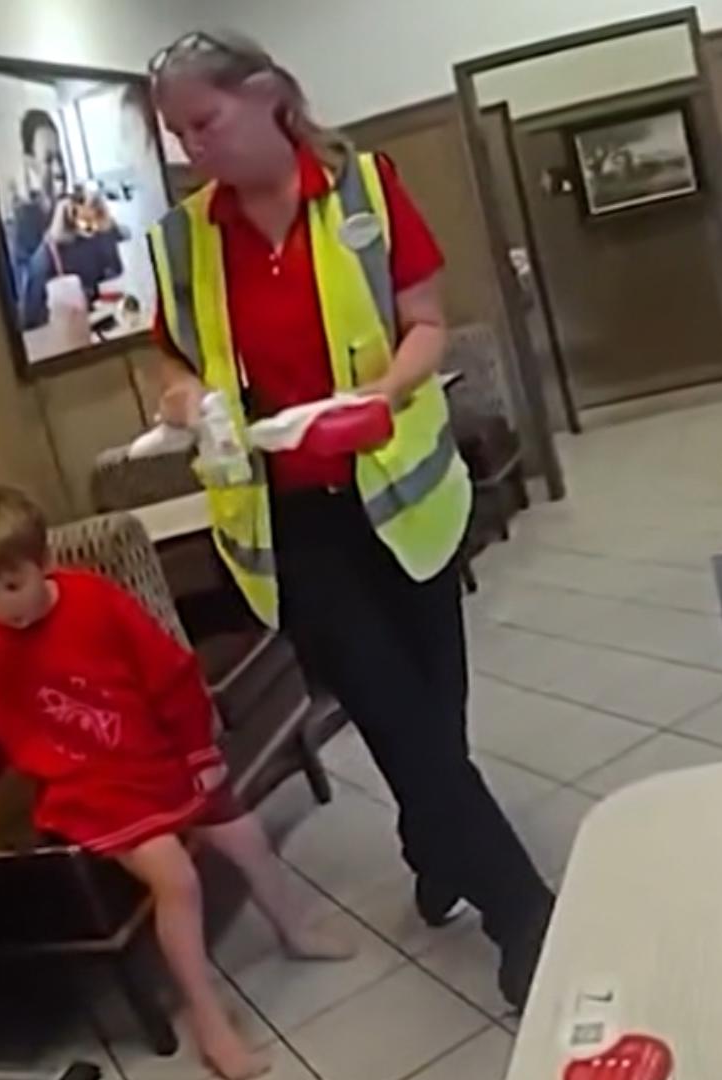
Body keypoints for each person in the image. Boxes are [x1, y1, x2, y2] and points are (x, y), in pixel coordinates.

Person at [143, 30, 556, 1007]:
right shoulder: (185, 238)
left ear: (268, 95)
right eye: (174, 133)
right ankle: (524, 915)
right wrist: (180, 398)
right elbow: (171, 360)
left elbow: (425, 322)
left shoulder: (366, 190)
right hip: (296, 526)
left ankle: (433, 842)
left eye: (203, 122)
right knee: (399, 719)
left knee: (434, 715)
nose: (189, 148)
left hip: (402, 500)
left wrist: (382, 394)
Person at [0, 486, 351, 1080]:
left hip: (156, 758)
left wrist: (198, 754)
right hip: (90, 794)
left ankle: (293, 926)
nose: (2, 604)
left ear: (42, 561)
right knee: (177, 879)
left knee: (246, 836)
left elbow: (172, 677)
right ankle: (207, 1020)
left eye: (12, 584)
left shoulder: (94, 600)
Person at [8, 108, 125, 331]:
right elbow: (26, 312)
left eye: (61, 158)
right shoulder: (20, 226)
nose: (60, 170)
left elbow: (115, 272)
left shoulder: (80, 209)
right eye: (49, 160)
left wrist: (107, 228)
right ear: (30, 163)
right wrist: (51, 243)